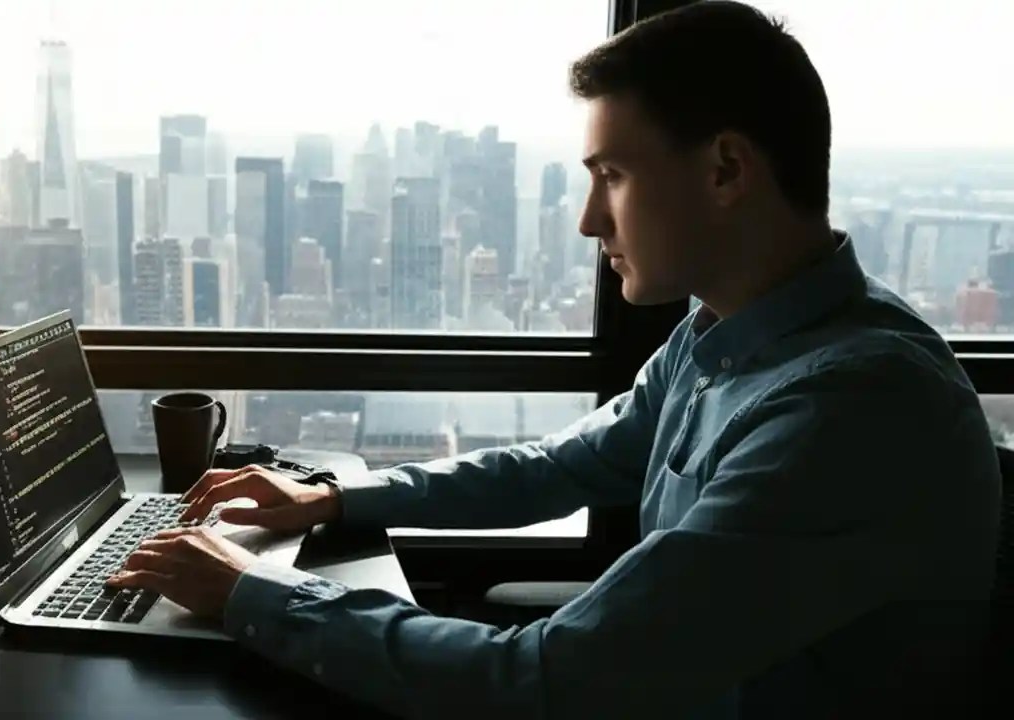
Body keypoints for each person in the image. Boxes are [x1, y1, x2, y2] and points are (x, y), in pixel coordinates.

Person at [106, 2, 1001, 717]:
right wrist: (336, 497)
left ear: (727, 170)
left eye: (611, 175)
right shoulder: (721, 338)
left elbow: (553, 680)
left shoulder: (851, 410)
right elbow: (563, 464)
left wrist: (256, 593)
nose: (588, 221)